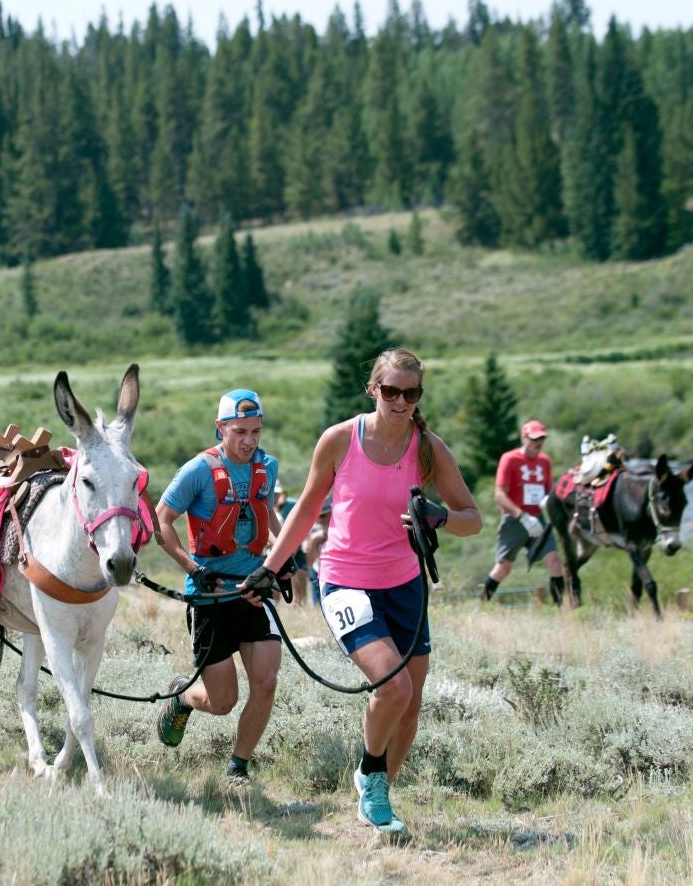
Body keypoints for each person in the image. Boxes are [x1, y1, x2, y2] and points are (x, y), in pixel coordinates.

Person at [244, 349, 480, 833]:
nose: (399, 401)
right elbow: (307, 510)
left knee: (410, 708)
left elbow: (472, 519)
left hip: (405, 584)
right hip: (345, 581)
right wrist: (270, 568)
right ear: (373, 389)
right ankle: (371, 772)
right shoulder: (339, 440)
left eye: (409, 393)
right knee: (394, 687)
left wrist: (439, 517)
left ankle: (377, 797)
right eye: (390, 390)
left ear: (418, 396)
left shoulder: (428, 448)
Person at [153, 388, 283, 784]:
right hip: (209, 596)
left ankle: (237, 765)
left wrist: (282, 551)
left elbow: (269, 515)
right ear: (220, 429)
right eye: (240, 431)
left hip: (254, 592)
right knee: (222, 701)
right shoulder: (197, 471)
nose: (249, 441)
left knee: (266, 682)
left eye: (256, 431)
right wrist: (194, 568)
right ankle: (184, 696)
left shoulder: (267, 466)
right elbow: (161, 521)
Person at [480, 419, 565, 604]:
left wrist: (548, 501)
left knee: (554, 560)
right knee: (504, 567)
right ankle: (482, 603)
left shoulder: (545, 461)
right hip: (514, 520)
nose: (538, 443)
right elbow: (499, 494)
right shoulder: (510, 459)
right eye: (534, 439)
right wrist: (522, 516)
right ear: (523, 438)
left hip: (538, 519)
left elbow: (548, 490)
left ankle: (562, 610)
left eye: (541, 439)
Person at [273, 481, 311, 606]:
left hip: (296, 547)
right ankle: (276, 605)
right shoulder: (263, 507)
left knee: (300, 575)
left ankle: (300, 604)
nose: (274, 497)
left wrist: (304, 542)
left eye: (277, 494)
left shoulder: (293, 505)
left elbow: (305, 522)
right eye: (272, 494)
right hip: (275, 549)